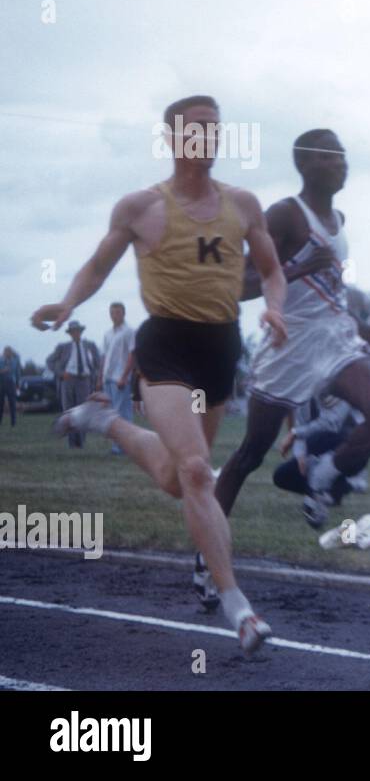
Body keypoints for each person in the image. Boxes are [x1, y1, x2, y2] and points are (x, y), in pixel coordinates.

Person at [30, 94, 289, 654]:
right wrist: (68, 303)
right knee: (199, 471)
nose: (210, 137)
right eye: (197, 128)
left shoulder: (243, 205)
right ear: (172, 139)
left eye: (216, 128)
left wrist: (274, 307)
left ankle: (105, 421)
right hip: (165, 345)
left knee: (178, 479)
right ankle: (237, 605)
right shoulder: (140, 207)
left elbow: (271, 270)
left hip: (219, 351)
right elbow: (99, 266)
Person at [212, 129, 370, 544]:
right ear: (304, 165)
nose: (339, 163)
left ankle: (324, 475)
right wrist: (297, 267)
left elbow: (330, 284)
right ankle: (207, 555)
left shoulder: (341, 221)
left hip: (335, 340)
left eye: (342, 155)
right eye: (327, 157)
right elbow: (240, 286)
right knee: (250, 455)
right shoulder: (285, 215)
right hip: (289, 344)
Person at [45, 320, 101, 448]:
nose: (75, 333)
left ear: (81, 332)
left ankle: (81, 442)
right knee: (69, 411)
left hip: (85, 380)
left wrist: (96, 376)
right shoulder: (63, 347)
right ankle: (72, 443)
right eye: (73, 331)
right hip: (68, 380)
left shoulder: (90, 346)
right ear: (70, 333)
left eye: (77, 331)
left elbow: (99, 364)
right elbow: (49, 361)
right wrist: (60, 373)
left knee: (83, 411)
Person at [99, 301, 136, 455]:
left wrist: (124, 376)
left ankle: (126, 447)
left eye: (118, 312)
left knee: (122, 413)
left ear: (124, 313)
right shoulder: (108, 334)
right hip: (108, 378)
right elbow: (104, 356)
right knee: (112, 414)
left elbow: (132, 354)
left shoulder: (129, 331)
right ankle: (117, 446)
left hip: (120, 378)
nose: (115, 315)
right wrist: (99, 377)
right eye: (112, 313)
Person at [0, 347, 20, 428]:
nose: (8, 353)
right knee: (0, 403)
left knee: (12, 403)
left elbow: (17, 373)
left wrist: (18, 384)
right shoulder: (0, 361)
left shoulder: (15, 361)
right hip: (1, 383)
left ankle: (13, 422)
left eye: (9, 352)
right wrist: (3, 371)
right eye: (6, 352)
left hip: (11, 383)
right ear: (4, 352)